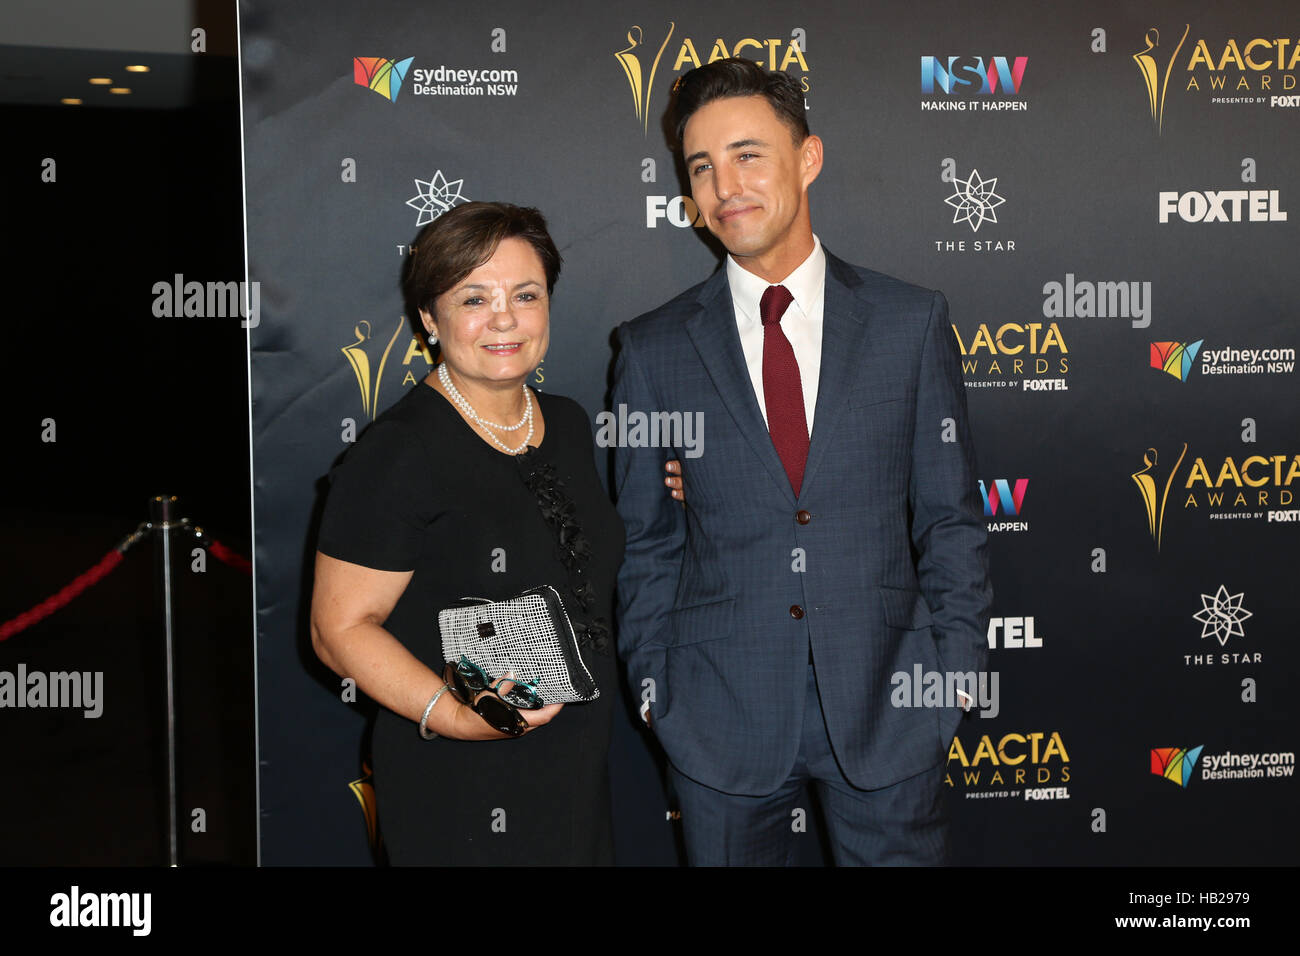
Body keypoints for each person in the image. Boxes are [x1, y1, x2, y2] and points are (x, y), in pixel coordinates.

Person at [612, 59, 992, 865]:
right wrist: (658, 692)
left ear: (807, 158)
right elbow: (645, 540)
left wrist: (953, 673)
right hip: (717, 717)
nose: (726, 186)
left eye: (748, 155)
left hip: (892, 704)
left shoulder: (908, 322)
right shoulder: (650, 352)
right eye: (702, 167)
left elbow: (951, 518)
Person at [311, 201, 625, 865]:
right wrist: (456, 717)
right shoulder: (398, 452)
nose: (505, 318)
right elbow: (339, 630)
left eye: (526, 294)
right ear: (430, 317)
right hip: (455, 781)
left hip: (572, 772)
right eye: (474, 297)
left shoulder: (567, 425)